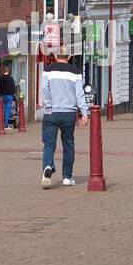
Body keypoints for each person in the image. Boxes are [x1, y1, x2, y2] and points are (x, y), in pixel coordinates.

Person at [39, 52, 88, 188]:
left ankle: (48, 166)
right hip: (69, 113)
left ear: (55, 57)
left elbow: (44, 89)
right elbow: (79, 94)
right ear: (69, 57)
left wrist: (48, 105)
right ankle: (67, 177)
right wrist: (84, 112)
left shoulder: (47, 71)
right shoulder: (75, 73)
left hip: (51, 112)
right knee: (68, 144)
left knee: (49, 144)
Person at [0, 63, 18, 128]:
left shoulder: (0, 78)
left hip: (2, 96)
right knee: (7, 110)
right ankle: (5, 125)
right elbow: (13, 88)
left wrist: (0, 93)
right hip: (9, 96)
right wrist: (12, 93)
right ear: (8, 71)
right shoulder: (11, 79)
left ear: (3, 71)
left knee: (2, 111)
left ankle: (1, 124)